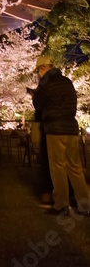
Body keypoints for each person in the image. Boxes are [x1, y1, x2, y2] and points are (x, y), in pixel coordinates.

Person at [32, 55, 90, 216]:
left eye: (39, 71)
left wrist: (34, 95)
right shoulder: (67, 82)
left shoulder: (45, 84)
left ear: (43, 69)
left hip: (54, 129)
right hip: (71, 128)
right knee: (75, 167)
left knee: (57, 168)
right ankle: (84, 204)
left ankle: (61, 205)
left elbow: (38, 104)